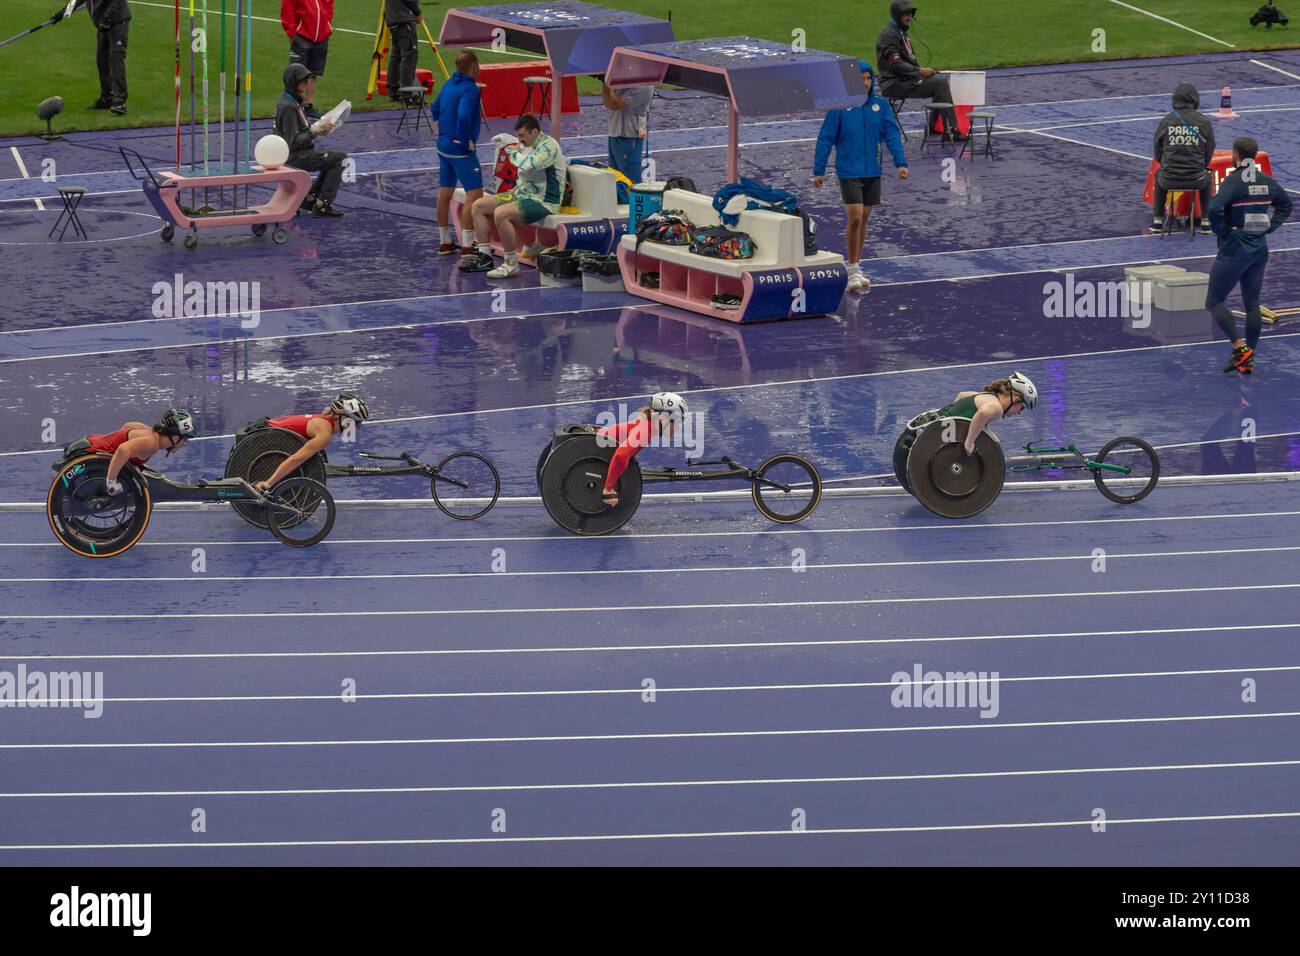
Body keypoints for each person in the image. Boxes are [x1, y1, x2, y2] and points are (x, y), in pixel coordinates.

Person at [813, 60, 908, 293]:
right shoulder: (838, 108)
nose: (865, 83)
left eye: (868, 78)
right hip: (849, 171)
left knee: (863, 219)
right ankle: (852, 269)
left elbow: (892, 134)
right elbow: (825, 139)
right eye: (860, 79)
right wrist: (819, 169)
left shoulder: (880, 106)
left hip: (872, 171)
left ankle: (856, 265)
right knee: (854, 217)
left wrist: (900, 162)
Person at [1206, 137, 1292, 375]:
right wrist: (1270, 227)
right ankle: (1248, 360)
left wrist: (1223, 232)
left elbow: (1213, 208)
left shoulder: (1233, 181)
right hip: (1259, 250)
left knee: (1213, 301)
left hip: (1236, 249)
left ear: (1235, 156)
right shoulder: (1266, 180)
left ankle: (1239, 347)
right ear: (1254, 156)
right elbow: (1285, 205)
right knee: (1252, 304)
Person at [462, 114, 568, 280]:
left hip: (545, 201)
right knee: (478, 206)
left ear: (534, 132)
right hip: (523, 194)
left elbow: (527, 165)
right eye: (518, 136)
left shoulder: (549, 147)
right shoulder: (526, 144)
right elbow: (525, 174)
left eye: (522, 135)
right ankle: (485, 258)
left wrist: (511, 152)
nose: (520, 140)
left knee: (501, 213)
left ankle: (511, 264)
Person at [876, 0, 966, 142]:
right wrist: (920, 71)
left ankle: (934, 128)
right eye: (905, 14)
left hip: (904, 80)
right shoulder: (890, 35)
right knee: (940, 84)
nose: (909, 17)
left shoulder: (900, 32)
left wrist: (921, 71)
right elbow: (896, 64)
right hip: (894, 84)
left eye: (910, 14)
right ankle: (950, 131)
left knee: (939, 83)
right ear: (897, 15)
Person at [252, 393, 370, 490]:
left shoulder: (325, 421)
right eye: (356, 423)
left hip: (263, 430)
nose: (357, 428)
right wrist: (268, 483)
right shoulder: (324, 435)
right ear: (342, 418)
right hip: (260, 439)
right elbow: (296, 459)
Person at [62, 408, 197, 494]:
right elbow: (123, 449)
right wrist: (111, 481)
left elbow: (127, 426)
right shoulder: (151, 444)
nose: (184, 444)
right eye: (184, 440)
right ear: (175, 437)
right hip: (89, 450)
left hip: (94, 441)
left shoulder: (149, 431)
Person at [430, 50, 485, 256]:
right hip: (460, 150)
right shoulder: (470, 89)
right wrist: (463, 140)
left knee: (445, 191)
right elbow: (463, 115)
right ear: (473, 67)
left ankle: (445, 242)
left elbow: (434, 108)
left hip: (443, 147)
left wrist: (444, 132)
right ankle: (468, 245)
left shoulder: (448, 84)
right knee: (475, 194)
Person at [274, 63, 347, 218]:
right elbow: (292, 142)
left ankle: (310, 198)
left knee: (332, 158)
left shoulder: (292, 102)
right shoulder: (288, 107)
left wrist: (319, 128)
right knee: (340, 159)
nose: (306, 86)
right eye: (302, 82)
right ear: (293, 82)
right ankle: (323, 204)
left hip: (297, 153)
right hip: (295, 157)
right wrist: (315, 130)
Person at [906, 374, 1037, 455]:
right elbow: (983, 413)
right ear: (1016, 399)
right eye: (1022, 408)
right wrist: (969, 442)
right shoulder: (996, 408)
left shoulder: (986, 396)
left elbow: (962, 395)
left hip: (929, 424)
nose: (1019, 413)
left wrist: (953, 416)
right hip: (932, 436)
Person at [598, 392, 688, 507]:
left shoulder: (647, 425)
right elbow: (620, 456)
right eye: (677, 421)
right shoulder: (646, 431)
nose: (677, 428)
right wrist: (608, 489)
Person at [1150, 82, 1215, 235]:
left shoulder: (1166, 120)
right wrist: (1200, 166)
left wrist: (1167, 165)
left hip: (1168, 179)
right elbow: (1210, 150)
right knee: (1208, 176)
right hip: (1197, 178)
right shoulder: (1203, 122)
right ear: (1195, 99)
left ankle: (1157, 221)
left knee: (1159, 174)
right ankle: (1206, 221)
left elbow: (1157, 149)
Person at [54, 0, 132, 115]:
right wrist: (61, 13)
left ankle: (120, 101)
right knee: (101, 60)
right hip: (103, 24)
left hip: (117, 21)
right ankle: (107, 98)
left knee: (116, 59)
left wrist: (107, 19)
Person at [281, 0, 333, 118]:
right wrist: (291, 31)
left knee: (313, 73)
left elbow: (329, 4)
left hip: (322, 36)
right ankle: (289, 107)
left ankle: (308, 106)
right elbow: (287, 8)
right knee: (295, 74)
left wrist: (327, 23)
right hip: (302, 36)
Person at [601, 80, 652, 185]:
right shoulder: (627, 80)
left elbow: (615, 104)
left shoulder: (643, 86)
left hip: (628, 136)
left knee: (629, 179)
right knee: (615, 178)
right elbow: (608, 102)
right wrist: (605, 81)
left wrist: (607, 81)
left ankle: (631, 200)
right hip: (615, 133)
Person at [385, 0, 422, 104]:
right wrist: (418, 12)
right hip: (403, 19)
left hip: (393, 18)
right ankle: (407, 94)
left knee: (396, 56)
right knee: (410, 55)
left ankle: (393, 91)